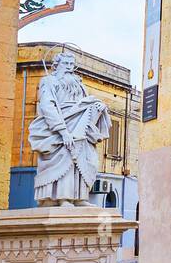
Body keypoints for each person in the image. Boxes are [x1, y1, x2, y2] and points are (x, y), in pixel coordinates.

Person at [28, 53, 111, 207]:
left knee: (84, 160)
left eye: (71, 64)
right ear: (56, 65)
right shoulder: (49, 81)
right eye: (65, 63)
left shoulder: (80, 85)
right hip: (58, 127)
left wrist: (98, 108)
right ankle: (62, 198)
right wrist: (62, 130)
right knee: (64, 159)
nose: (68, 67)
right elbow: (47, 105)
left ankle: (79, 197)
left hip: (80, 128)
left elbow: (85, 106)